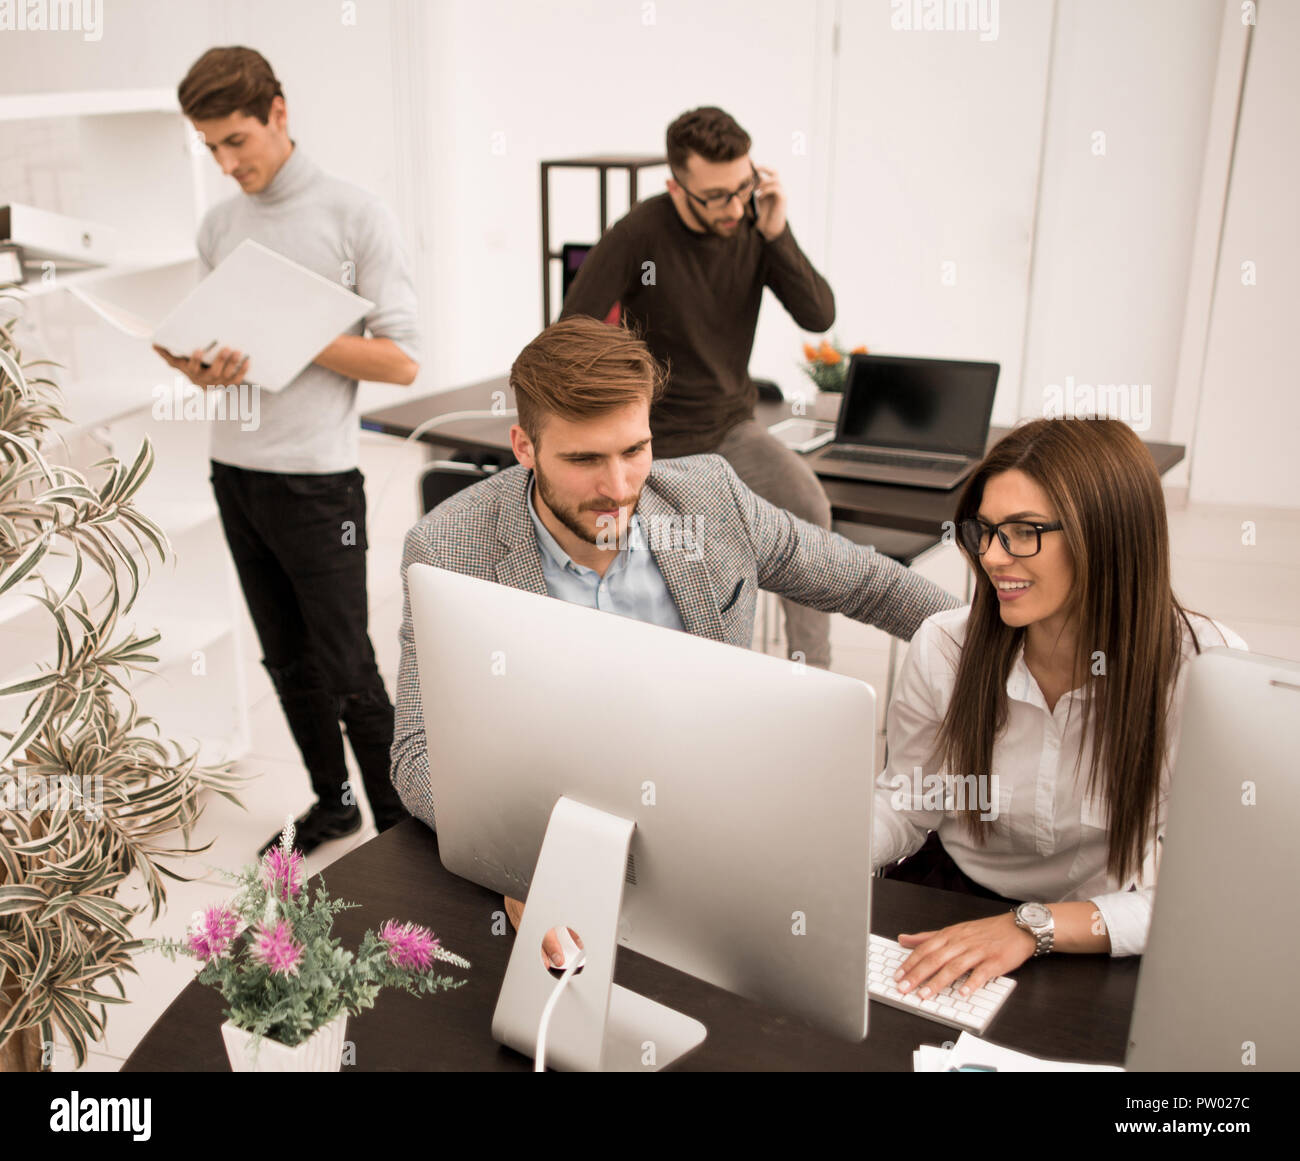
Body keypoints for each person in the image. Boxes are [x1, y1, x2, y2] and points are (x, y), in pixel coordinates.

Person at [391, 317, 959, 961]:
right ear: (523, 447)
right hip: (557, 832)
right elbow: (416, 754)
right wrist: (525, 859)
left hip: (713, 828)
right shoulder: (447, 548)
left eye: (634, 450)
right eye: (584, 459)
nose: (618, 487)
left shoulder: (710, 500)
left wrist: (993, 644)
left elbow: (869, 585)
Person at [874, 417, 1246, 1003]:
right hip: (950, 895)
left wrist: (1032, 926)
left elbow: (1200, 896)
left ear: (1109, 536)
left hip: (1100, 925)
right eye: (985, 531)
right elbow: (907, 802)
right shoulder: (946, 645)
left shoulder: (1205, 671)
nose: (993, 557)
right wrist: (819, 847)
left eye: (1024, 532)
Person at [158, 47, 421, 857]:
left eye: (236, 140)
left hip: (317, 485)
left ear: (278, 112)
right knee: (286, 660)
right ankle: (333, 803)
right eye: (210, 148)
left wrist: (300, 334)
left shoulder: (355, 214)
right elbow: (221, 371)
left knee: (348, 670)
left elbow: (402, 359)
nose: (226, 163)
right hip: (236, 472)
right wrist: (200, 367)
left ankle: (405, 844)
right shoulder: (220, 224)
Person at [560, 106, 839, 669]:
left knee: (809, 508)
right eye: (717, 197)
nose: (734, 207)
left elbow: (819, 315)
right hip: (655, 439)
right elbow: (571, 332)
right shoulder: (639, 231)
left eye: (745, 187)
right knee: (689, 564)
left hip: (732, 429)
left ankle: (813, 679)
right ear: (676, 185)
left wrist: (778, 233)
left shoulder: (757, 226)